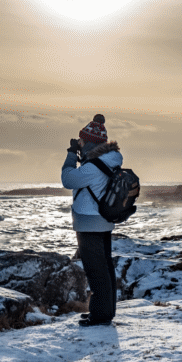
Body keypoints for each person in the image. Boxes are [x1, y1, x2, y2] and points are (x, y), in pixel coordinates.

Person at [62, 114, 122, 327]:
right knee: (104, 268)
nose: (80, 144)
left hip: (89, 221)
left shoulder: (94, 166)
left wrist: (71, 154)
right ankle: (105, 312)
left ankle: (100, 316)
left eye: (82, 141)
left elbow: (67, 179)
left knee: (96, 271)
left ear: (89, 143)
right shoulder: (107, 160)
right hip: (102, 219)